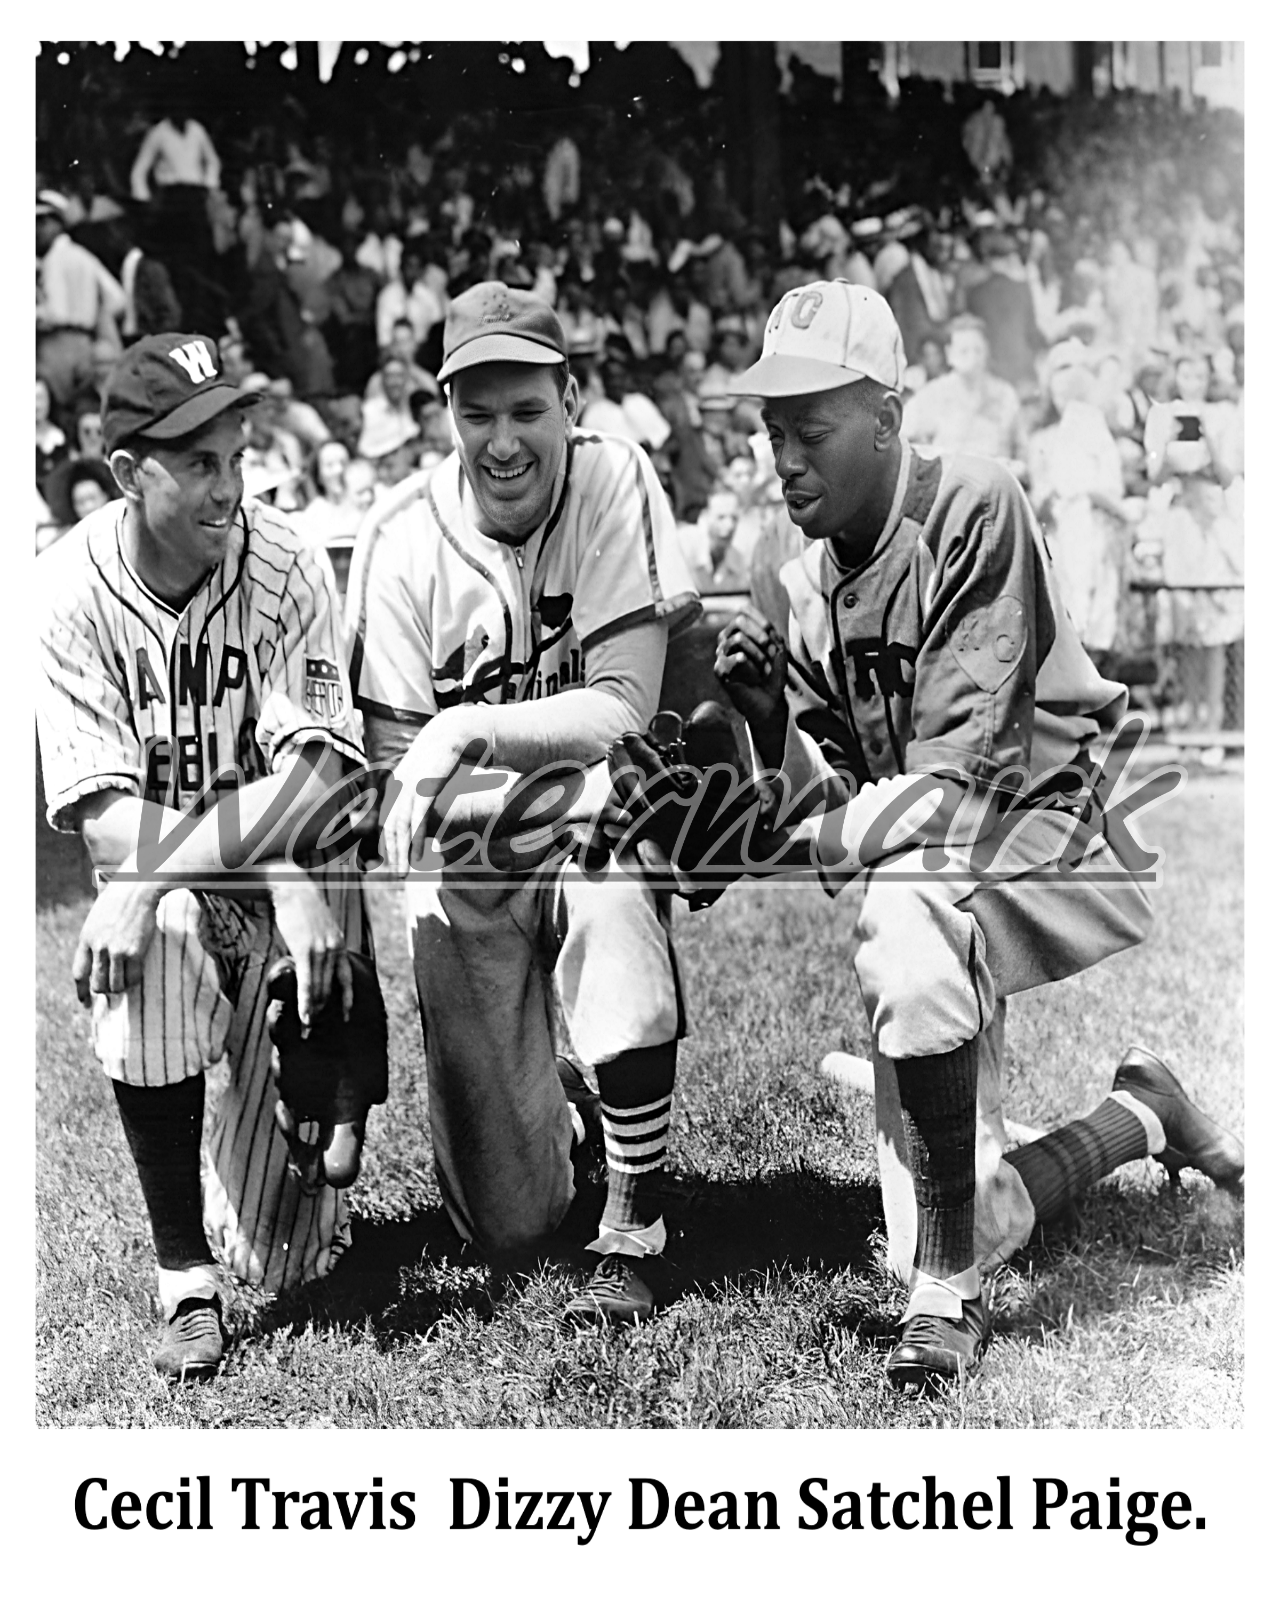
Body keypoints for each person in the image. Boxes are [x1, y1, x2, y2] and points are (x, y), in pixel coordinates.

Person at [710, 282, 1242, 1389]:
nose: (785, 459)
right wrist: (768, 734)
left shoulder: (973, 501)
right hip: (929, 843)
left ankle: (942, 1301)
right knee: (967, 1204)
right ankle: (1139, 1110)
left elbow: (951, 793)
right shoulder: (791, 570)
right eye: (772, 433)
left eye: (811, 430)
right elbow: (829, 796)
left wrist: (803, 839)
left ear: (888, 422)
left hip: (1051, 824)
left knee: (903, 902)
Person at [347, 282, 699, 1323]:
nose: (501, 442)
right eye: (476, 413)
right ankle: (579, 1123)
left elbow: (626, 705)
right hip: (464, 860)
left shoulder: (613, 474)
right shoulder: (398, 533)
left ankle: (635, 1216)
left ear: (569, 398)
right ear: (444, 412)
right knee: (506, 1225)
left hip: (574, 812)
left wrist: (470, 733)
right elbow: (395, 789)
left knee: (608, 818)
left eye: (525, 410)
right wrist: (464, 767)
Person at [36, 332, 372, 1381]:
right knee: (156, 926)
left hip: (295, 889)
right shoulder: (65, 590)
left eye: (236, 453)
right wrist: (145, 877)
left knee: (292, 1259)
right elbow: (105, 822)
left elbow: (318, 779)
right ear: (129, 475)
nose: (230, 486)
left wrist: (280, 879)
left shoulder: (287, 562)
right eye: (198, 463)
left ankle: (300, 1069)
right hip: (183, 902)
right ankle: (183, 1273)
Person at [1027, 340, 1131, 669]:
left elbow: (1111, 488)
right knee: (1065, 619)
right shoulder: (1041, 440)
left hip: (1095, 534)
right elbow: (1038, 499)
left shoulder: (1098, 430)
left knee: (1097, 619)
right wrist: (1047, 498)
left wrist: (1085, 493)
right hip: (1059, 539)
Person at [901, 313, 1026, 476]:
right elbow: (902, 438)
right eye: (964, 351)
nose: (972, 357)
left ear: (987, 350)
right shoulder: (932, 395)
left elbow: (1023, 451)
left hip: (996, 486)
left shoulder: (1004, 394)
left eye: (978, 350)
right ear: (949, 354)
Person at [37, 192, 127, 409]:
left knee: (60, 408)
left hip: (57, 346)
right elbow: (118, 299)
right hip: (87, 346)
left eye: (40, 223)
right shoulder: (84, 256)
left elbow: (56, 312)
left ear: (54, 223)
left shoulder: (52, 260)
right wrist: (94, 315)